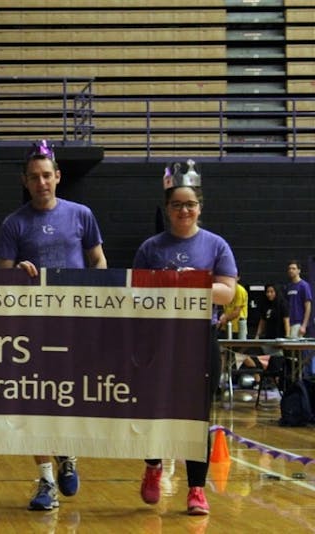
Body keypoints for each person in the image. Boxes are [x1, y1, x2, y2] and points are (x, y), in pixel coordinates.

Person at [0, 140, 107, 511]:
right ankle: (45, 480)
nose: (41, 182)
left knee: (67, 398)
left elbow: (98, 262)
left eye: (47, 175)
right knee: (33, 402)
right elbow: (1, 278)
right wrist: (18, 274)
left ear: (57, 176)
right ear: (25, 181)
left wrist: (92, 298)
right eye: (34, 177)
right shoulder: (13, 223)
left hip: (73, 325)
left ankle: (68, 454)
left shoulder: (82, 215)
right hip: (32, 328)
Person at [133, 159, 237, 516]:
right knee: (154, 408)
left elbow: (227, 292)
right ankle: (153, 466)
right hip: (159, 339)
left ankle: (196, 489)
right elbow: (137, 294)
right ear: (167, 209)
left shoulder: (216, 245)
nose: (184, 211)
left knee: (197, 415)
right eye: (177, 205)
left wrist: (194, 282)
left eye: (190, 204)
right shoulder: (150, 248)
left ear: (200, 207)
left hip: (199, 339)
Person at [285, 260, 312, 339]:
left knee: (294, 344)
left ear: (299, 270)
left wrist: (304, 325)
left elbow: (308, 306)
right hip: (288, 322)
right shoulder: (289, 286)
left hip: (298, 323)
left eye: (293, 268)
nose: (291, 270)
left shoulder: (304, 285)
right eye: (289, 269)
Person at [218, 274, 247, 339]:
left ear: (238, 278)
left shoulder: (240, 290)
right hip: (225, 327)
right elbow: (225, 309)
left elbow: (236, 312)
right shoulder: (226, 290)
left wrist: (223, 319)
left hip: (237, 328)